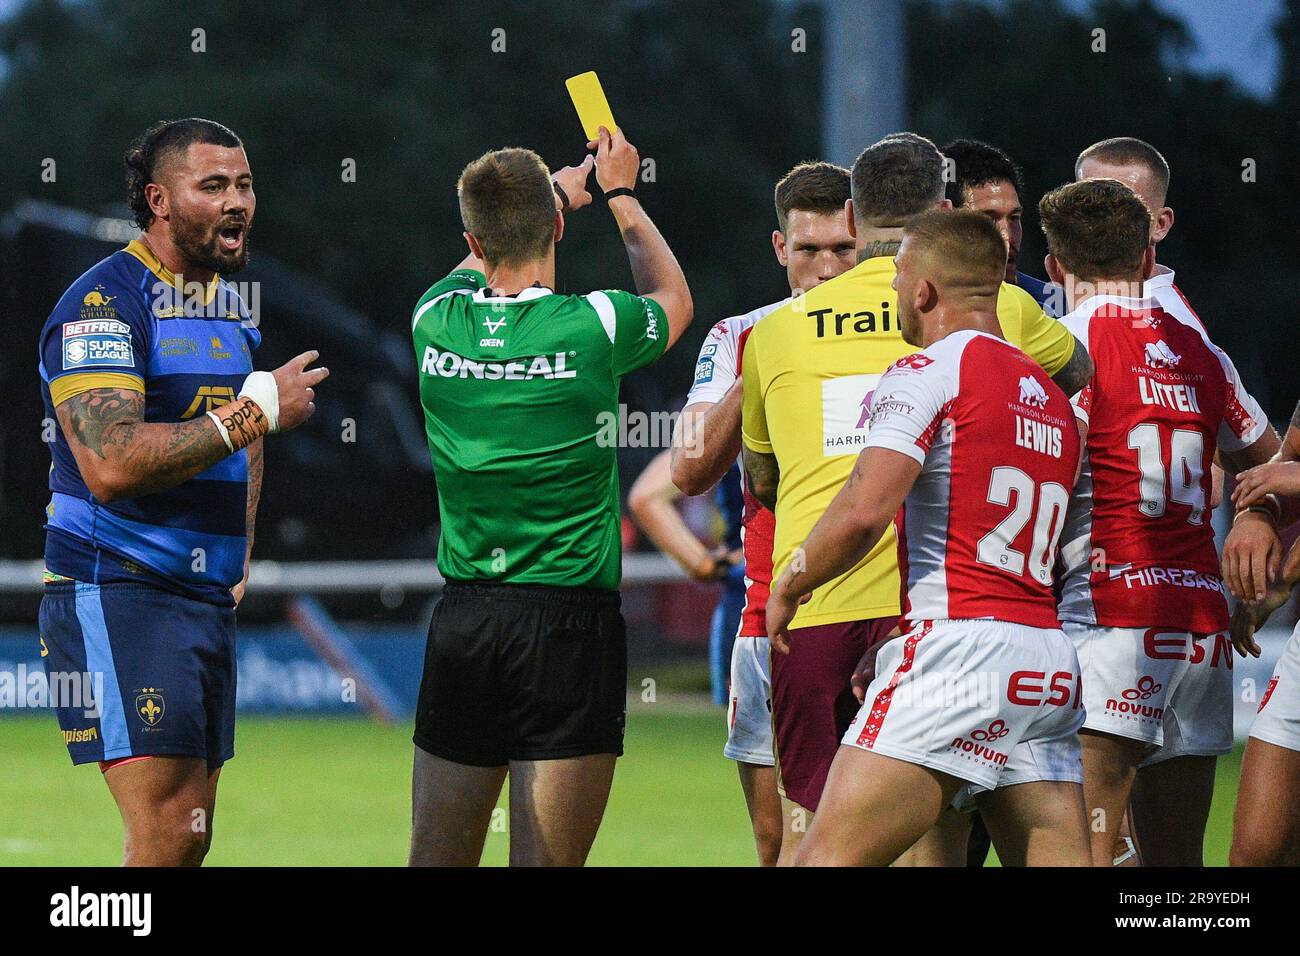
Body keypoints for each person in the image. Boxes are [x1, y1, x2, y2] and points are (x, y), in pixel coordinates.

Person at [739, 133, 1093, 865]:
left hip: (953, 650)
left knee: (820, 858)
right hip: (1046, 661)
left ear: (925, 290)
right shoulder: (1051, 403)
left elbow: (866, 509)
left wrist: (792, 580)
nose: (888, 293)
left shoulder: (925, 371)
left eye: (898, 281)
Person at [37, 117, 327, 865]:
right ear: (160, 201)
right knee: (165, 835)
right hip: (117, 589)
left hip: (193, 598)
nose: (237, 202)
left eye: (245, 184)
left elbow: (244, 435)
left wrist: (242, 553)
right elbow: (113, 463)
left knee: (188, 837)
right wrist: (253, 411)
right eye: (213, 186)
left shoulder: (226, 308)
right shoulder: (101, 305)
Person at [407, 128, 693, 867]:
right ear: (560, 228)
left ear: (471, 235)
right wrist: (622, 193)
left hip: (466, 617)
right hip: (568, 622)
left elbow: (474, 258)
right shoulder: (595, 323)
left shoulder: (434, 320)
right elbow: (672, 299)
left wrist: (555, 191)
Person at [1040, 178, 1279, 867]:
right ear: (1148, 258)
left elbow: (1041, 478)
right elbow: (1272, 464)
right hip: (1200, 631)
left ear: (1056, 269)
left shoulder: (1061, 351)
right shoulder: (1204, 353)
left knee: (1083, 850)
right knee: (1176, 867)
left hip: (1109, 619)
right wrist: (1255, 518)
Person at [666, 161, 856, 866]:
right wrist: (771, 360)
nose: (826, 267)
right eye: (809, 250)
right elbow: (687, 468)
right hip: (772, 622)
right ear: (781, 251)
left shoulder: (901, 324)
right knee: (783, 846)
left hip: (891, 614)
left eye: (844, 249)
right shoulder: (741, 335)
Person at [627, 449, 744, 707]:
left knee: (750, 742)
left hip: (747, 607)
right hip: (831, 595)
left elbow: (647, 497)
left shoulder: (730, 417)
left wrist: (706, 564)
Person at [943, 138, 1060, 315]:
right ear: (945, 219)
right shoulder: (909, 304)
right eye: (989, 219)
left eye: (1014, 218)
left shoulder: (1056, 307)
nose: (1008, 236)